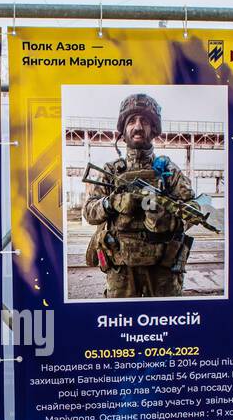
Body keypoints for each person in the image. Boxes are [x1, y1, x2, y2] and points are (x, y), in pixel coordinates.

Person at [82, 93, 199, 298]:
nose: (137, 126)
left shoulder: (169, 170)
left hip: (162, 269)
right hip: (121, 271)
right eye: (132, 121)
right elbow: (89, 212)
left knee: (165, 321)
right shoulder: (111, 171)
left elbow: (193, 210)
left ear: (153, 129)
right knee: (119, 322)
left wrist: (165, 219)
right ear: (123, 130)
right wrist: (112, 203)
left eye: (144, 121)